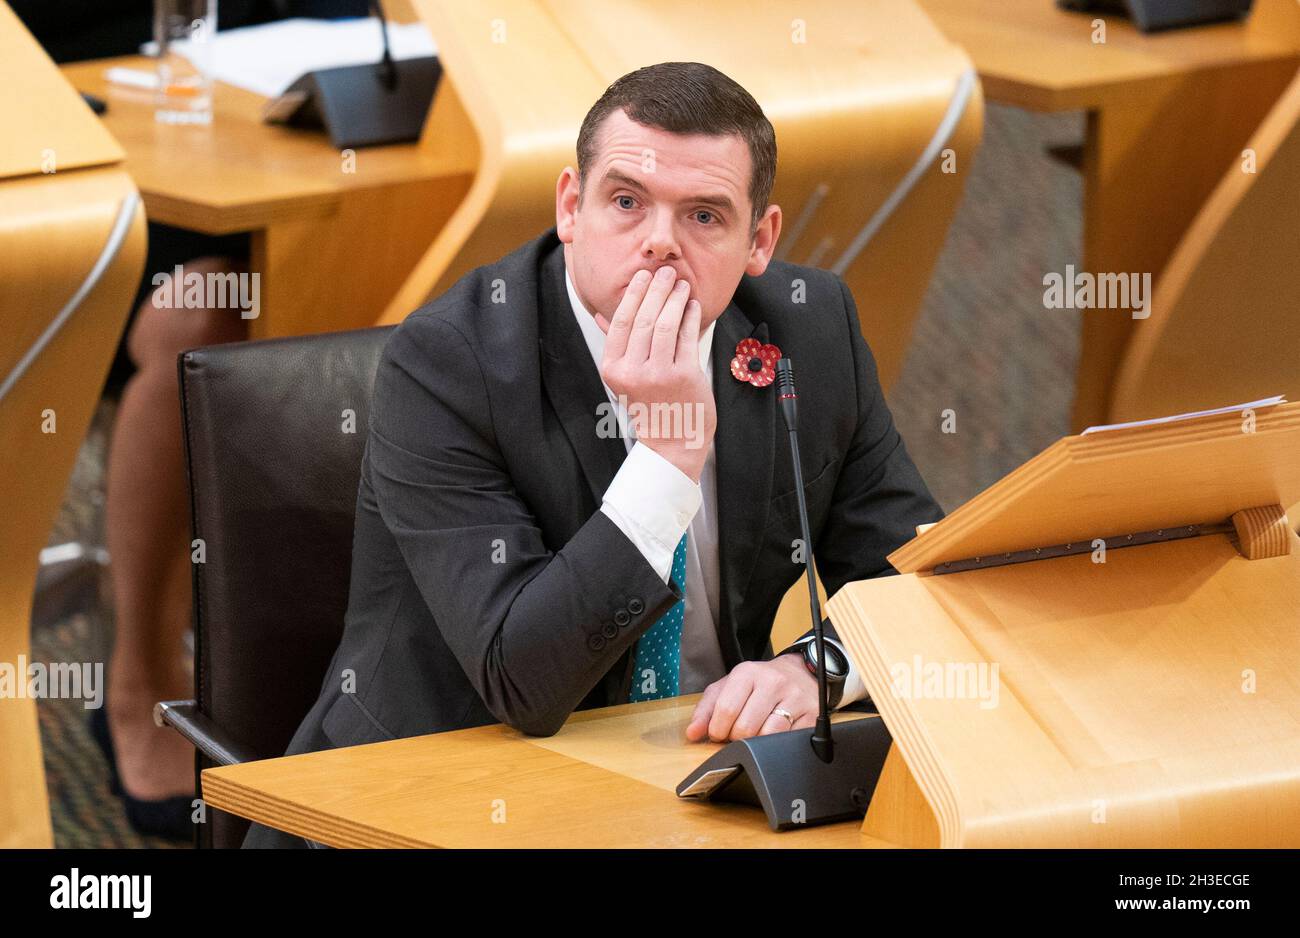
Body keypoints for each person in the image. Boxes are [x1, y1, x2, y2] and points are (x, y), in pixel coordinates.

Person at [244, 60, 942, 848]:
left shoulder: (810, 332)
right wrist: (669, 456)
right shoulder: (447, 364)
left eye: (705, 217)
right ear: (571, 207)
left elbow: (914, 581)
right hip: (442, 794)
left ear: (761, 240)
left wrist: (812, 669)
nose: (659, 245)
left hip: (695, 785)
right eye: (625, 202)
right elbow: (523, 682)